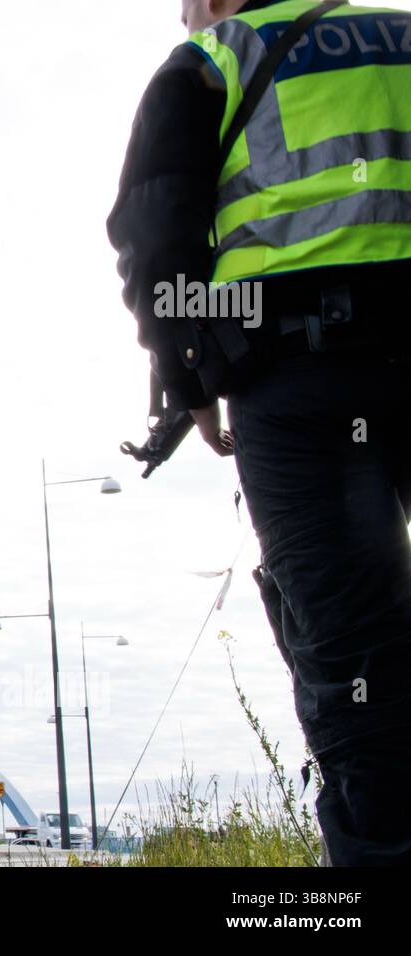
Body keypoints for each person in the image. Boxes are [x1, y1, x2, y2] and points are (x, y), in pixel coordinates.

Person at [109, 0, 411, 864]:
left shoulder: (211, 61)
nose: (182, 9)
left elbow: (156, 235)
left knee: (357, 673)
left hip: (300, 381)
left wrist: (187, 373)